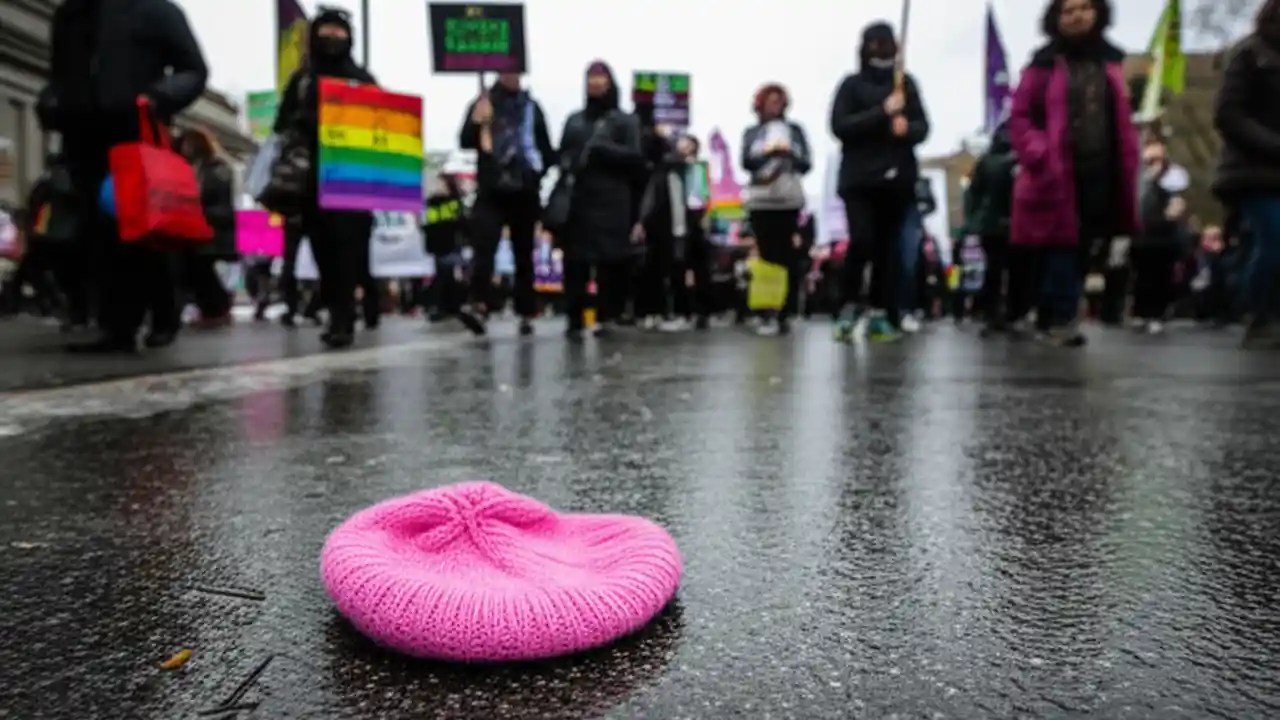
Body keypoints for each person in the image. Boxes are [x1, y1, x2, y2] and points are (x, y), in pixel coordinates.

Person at [39, 0, 208, 353]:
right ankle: (117, 327)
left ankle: (163, 311)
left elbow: (193, 70)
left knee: (142, 228)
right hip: (82, 138)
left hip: (136, 135)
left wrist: (159, 97)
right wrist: (51, 101)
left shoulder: (157, 10)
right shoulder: (72, 13)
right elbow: (57, 73)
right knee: (98, 235)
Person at [1009, 0, 1140, 348]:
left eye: (1084, 7)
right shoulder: (1043, 64)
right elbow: (1020, 117)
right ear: (1056, 18)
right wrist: (1040, 152)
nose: (1077, 15)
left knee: (1087, 242)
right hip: (1056, 170)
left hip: (1103, 168)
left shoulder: (1112, 62)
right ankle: (1061, 315)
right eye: (1068, 10)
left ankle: (1057, 311)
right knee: (1060, 244)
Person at [274, 9, 376, 349]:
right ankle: (336, 310)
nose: (333, 37)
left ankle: (343, 318)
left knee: (348, 250)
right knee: (324, 251)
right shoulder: (302, 80)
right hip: (312, 180)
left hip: (352, 181)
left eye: (339, 31)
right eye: (327, 30)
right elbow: (281, 125)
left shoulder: (363, 80)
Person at [830, 22, 931, 343]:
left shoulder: (906, 84)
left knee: (889, 248)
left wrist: (908, 129)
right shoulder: (851, 85)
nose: (882, 48)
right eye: (876, 42)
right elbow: (840, 126)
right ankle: (848, 304)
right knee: (862, 240)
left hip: (896, 178)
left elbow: (923, 127)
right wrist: (881, 113)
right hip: (859, 179)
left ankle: (879, 310)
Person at [460, 72, 557, 336]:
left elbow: (547, 150)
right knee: (484, 247)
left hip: (524, 193)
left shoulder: (531, 108)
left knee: (523, 253)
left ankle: (526, 310)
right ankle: (479, 304)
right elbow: (465, 141)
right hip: (491, 190)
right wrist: (476, 122)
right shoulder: (483, 103)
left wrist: (535, 174)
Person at [556, 61, 644, 340]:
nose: (595, 83)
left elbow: (635, 158)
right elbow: (563, 155)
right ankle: (574, 318)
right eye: (590, 78)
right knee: (575, 263)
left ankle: (607, 316)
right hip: (579, 200)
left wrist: (604, 150)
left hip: (613, 200)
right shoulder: (575, 120)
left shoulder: (625, 121)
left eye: (600, 78)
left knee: (610, 264)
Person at [1213, 0, 1280, 348]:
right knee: (1274, 240)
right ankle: (1261, 315)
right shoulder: (1251, 54)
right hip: (1255, 171)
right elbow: (1228, 114)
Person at [741, 83, 812, 336]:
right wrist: (768, 153)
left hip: (788, 199)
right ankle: (765, 310)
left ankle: (787, 311)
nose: (775, 105)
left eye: (779, 101)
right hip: (761, 199)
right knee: (766, 256)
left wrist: (789, 153)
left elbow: (806, 163)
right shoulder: (752, 132)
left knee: (789, 257)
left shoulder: (795, 130)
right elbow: (746, 161)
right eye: (770, 101)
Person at [964, 122, 1031, 336]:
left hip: (990, 227)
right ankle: (1015, 314)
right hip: (1017, 225)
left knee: (993, 272)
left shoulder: (985, 162)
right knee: (1017, 272)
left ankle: (992, 315)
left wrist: (973, 222)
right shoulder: (1020, 161)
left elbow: (973, 194)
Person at [176, 128, 236, 327]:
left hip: (211, 226)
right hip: (197, 226)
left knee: (200, 268)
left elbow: (220, 200)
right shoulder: (192, 167)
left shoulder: (216, 168)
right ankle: (214, 307)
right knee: (196, 268)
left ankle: (217, 307)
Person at [1132, 138, 1189, 334]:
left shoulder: (1172, 181)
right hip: (1142, 236)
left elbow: (1176, 206)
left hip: (1163, 236)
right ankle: (1141, 312)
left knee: (1160, 276)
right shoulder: (1139, 180)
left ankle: (1156, 313)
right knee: (1142, 276)